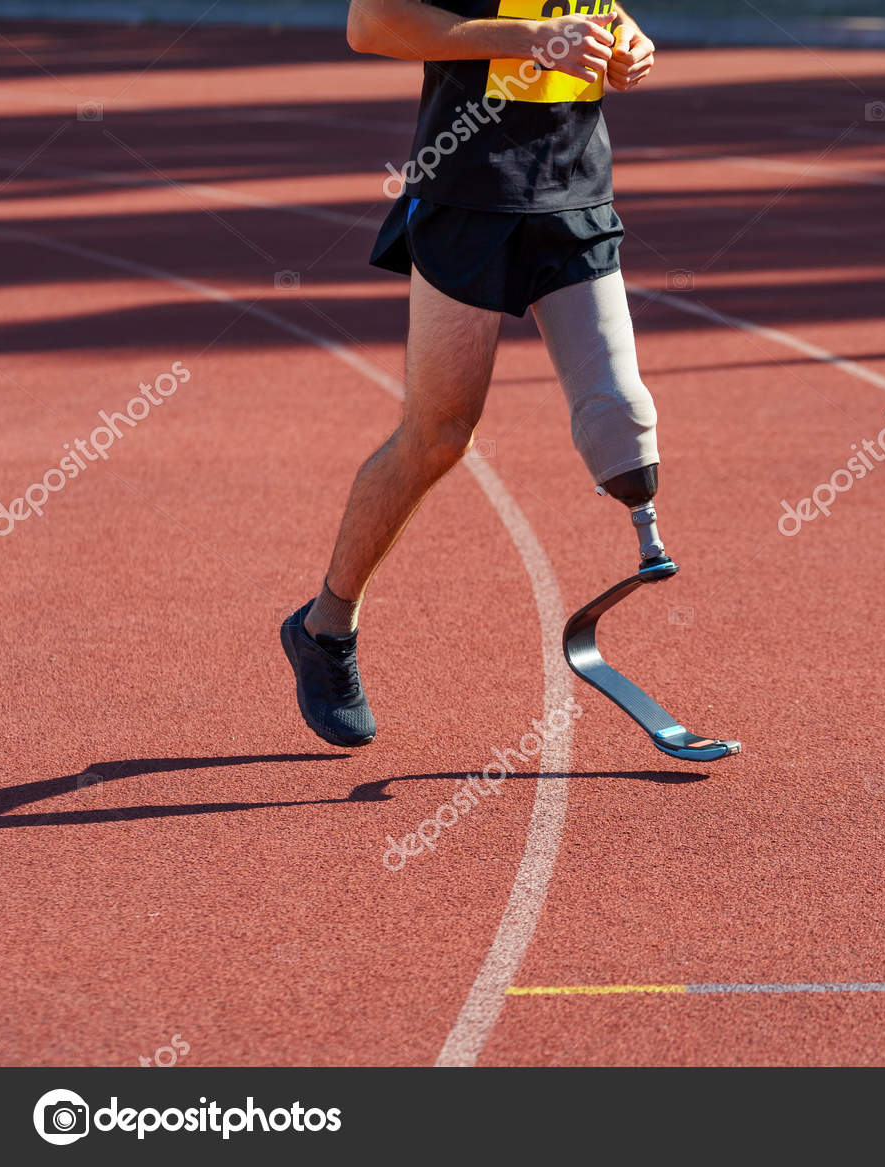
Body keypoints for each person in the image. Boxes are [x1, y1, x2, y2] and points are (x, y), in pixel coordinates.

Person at [282, 0, 662, 748]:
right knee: (439, 435)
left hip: (577, 185)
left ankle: (648, 547)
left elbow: (593, 9)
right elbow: (371, 22)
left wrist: (631, 40)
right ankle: (326, 627)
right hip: (472, 191)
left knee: (624, 419)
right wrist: (528, 41)